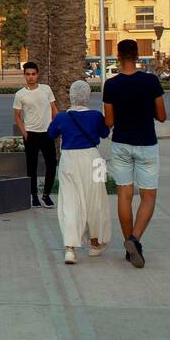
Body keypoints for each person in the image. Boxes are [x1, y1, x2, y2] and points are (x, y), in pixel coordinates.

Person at [103, 39, 166, 269]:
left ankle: (129, 247)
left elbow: (109, 121)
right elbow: (161, 115)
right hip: (146, 143)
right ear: (137, 55)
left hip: (121, 143)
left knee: (124, 194)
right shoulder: (150, 81)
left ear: (118, 56)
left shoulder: (111, 85)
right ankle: (135, 239)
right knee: (148, 196)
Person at [48, 80, 111, 265]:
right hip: (94, 158)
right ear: (88, 96)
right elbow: (104, 133)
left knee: (70, 202)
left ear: (71, 96)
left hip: (69, 159)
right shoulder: (95, 116)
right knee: (96, 200)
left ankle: (70, 249)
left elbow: (51, 134)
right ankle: (94, 243)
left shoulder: (61, 117)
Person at [13, 61, 59, 208]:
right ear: (24, 75)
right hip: (31, 135)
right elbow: (17, 116)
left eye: (33, 74)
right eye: (28, 74)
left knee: (51, 165)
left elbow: (54, 109)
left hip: (47, 133)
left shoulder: (46, 89)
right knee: (31, 167)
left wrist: (55, 127)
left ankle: (46, 195)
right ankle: (34, 196)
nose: (31, 77)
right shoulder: (20, 94)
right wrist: (24, 133)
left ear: (37, 75)